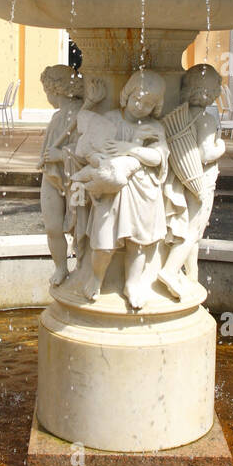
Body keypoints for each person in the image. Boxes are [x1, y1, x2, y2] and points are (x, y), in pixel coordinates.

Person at [74, 70, 169, 311]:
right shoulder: (109, 119)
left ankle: (133, 284)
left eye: (148, 104)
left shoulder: (154, 126)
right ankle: (96, 277)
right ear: (126, 94)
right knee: (104, 241)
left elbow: (158, 156)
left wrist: (130, 148)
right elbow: (90, 148)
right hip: (111, 189)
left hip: (142, 190)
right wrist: (97, 158)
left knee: (138, 242)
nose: (141, 106)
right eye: (137, 98)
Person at [159, 64, 227, 299]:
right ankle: (169, 271)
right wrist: (222, 146)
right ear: (211, 91)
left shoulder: (182, 115)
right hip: (201, 181)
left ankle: (192, 276)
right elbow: (205, 155)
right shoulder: (205, 119)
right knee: (193, 230)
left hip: (182, 179)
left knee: (188, 226)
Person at [39, 65, 84, 285]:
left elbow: (89, 150)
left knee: (80, 226)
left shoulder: (83, 115)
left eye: (46, 90)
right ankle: (61, 267)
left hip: (77, 177)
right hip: (52, 175)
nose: (46, 96)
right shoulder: (58, 117)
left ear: (55, 90)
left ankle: (83, 267)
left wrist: (61, 154)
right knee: (52, 225)